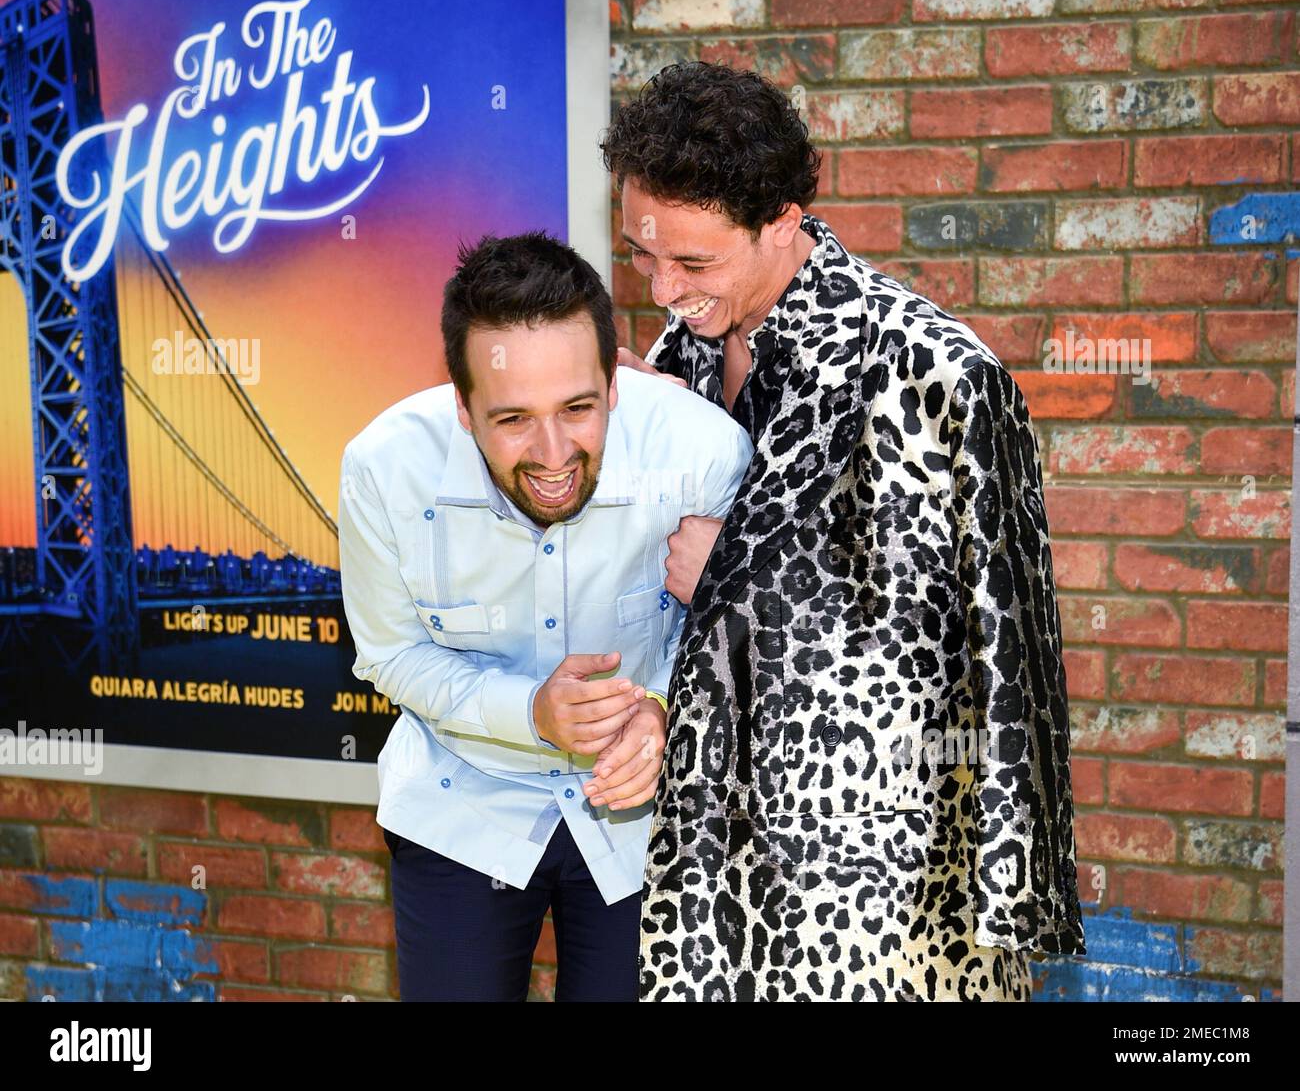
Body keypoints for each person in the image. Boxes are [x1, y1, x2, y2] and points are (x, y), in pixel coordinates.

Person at [602, 61, 1086, 1001]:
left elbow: (974, 652)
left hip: (878, 893)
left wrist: (736, 578)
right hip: (709, 880)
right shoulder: (677, 359)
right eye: (640, 254)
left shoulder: (934, 373)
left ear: (782, 218)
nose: (661, 290)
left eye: (693, 263)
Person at [337, 231, 753, 1001]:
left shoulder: (702, 452)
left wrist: (663, 707)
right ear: (462, 407)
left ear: (614, 383)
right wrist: (530, 712)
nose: (554, 453)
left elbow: (733, 631)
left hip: (644, 824)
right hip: (461, 802)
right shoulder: (383, 470)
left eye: (578, 407)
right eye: (513, 420)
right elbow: (389, 655)